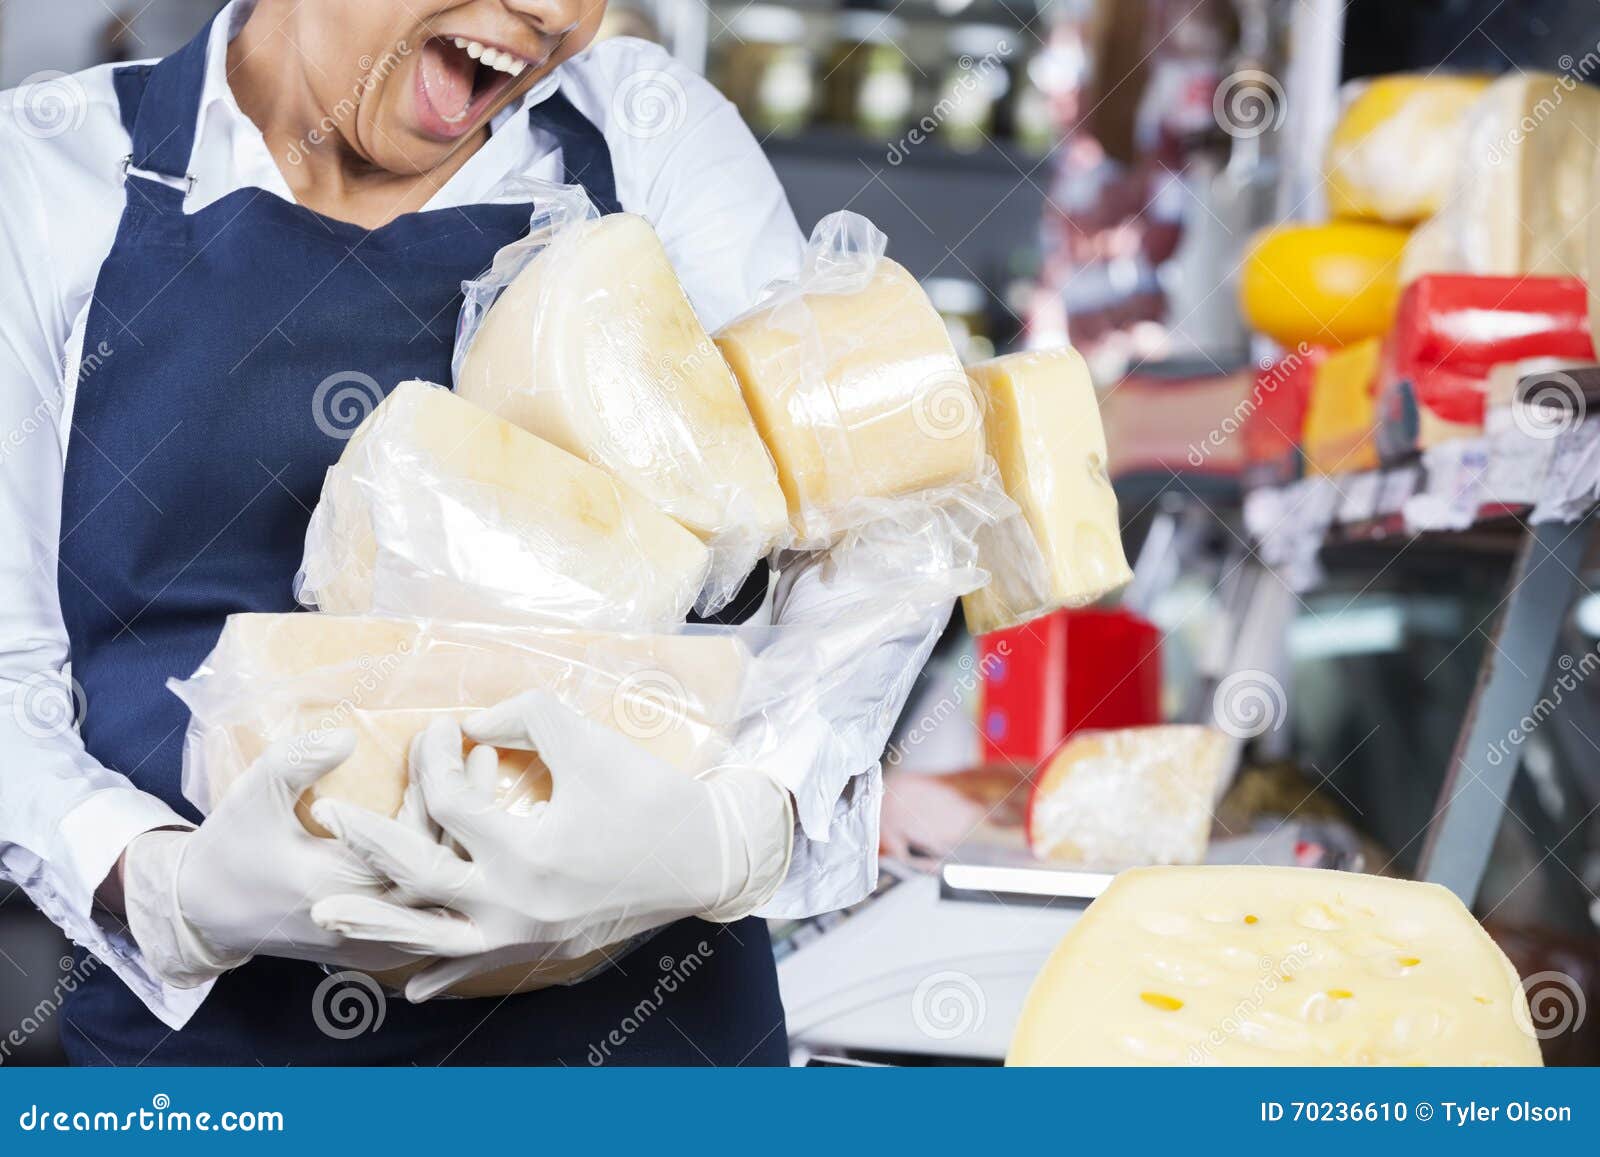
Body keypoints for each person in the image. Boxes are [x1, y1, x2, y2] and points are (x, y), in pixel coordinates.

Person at [0, 0, 933, 1066]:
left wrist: (739, 824)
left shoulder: (645, 132)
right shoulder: (44, 170)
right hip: (221, 1062)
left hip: (645, 1052)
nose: (553, 15)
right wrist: (171, 888)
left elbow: (879, 514)